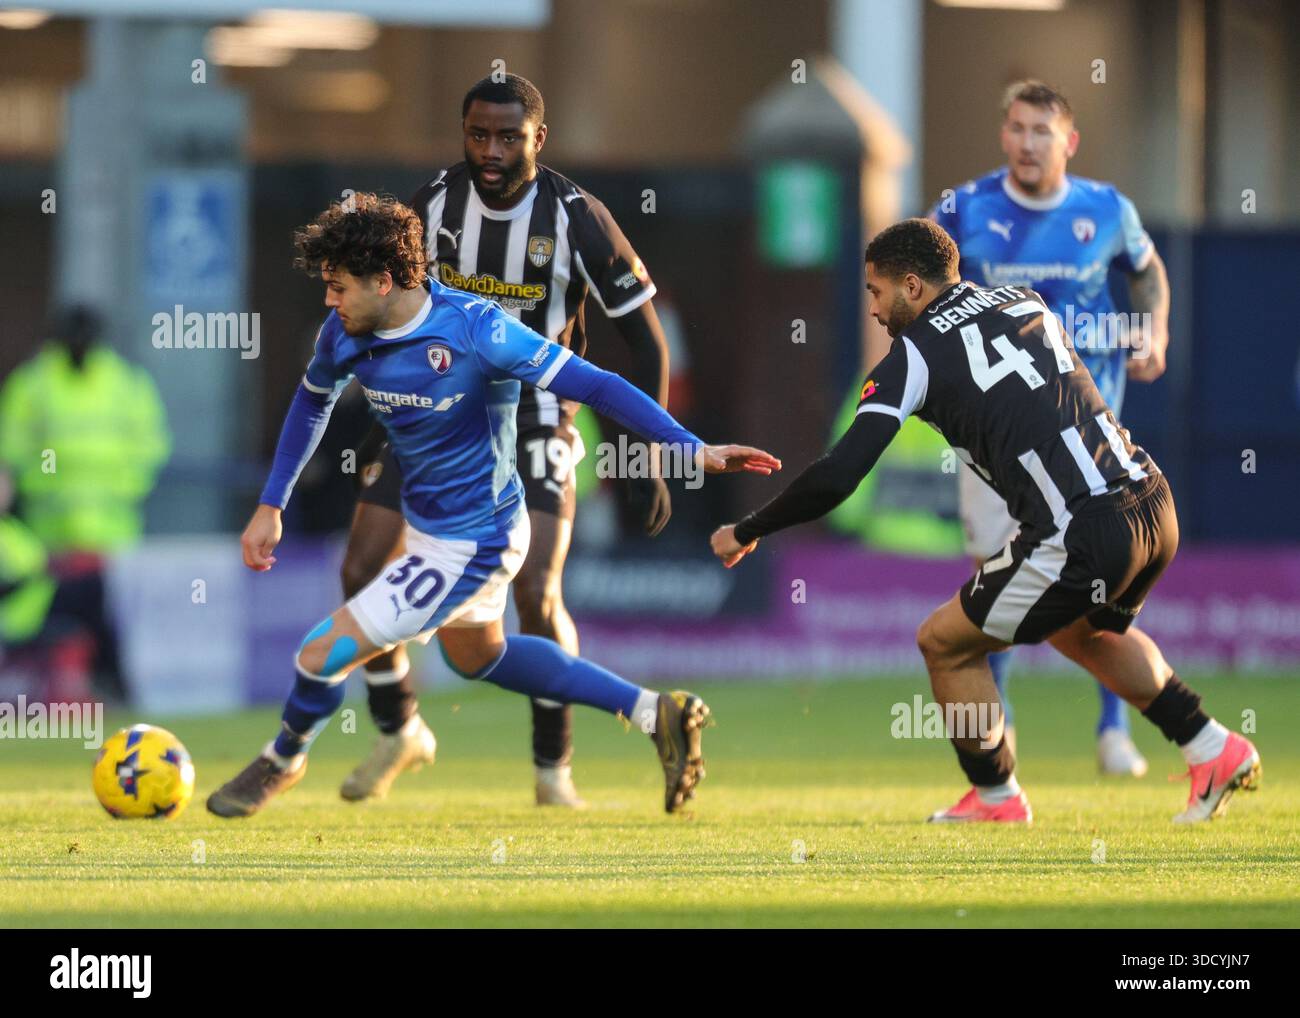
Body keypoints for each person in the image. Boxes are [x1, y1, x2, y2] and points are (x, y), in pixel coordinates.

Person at [206, 193, 780, 819]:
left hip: (477, 541)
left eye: (338, 287)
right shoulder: (343, 332)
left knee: (318, 655)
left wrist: (690, 448)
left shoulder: (479, 329)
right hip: (432, 529)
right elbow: (312, 401)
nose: (329, 301)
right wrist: (272, 503)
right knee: (478, 655)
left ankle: (282, 760)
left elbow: (597, 383)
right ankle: (656, 712)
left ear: (385, 280)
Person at [710, 218, 1259, 825]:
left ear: (912, 287)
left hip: (1081, 527)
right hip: (1152, 500)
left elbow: (840, 475)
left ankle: (996, 796)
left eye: (876, 290)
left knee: (942, 642)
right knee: (1086, 632)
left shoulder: (910, 357)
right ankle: (1212, 747)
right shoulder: (1021, 299)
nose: (871, 307)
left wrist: (748, 528)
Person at [340, 74, 674, 807]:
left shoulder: (579, 217)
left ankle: (553, 771)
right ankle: (400, 727)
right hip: (434, 410)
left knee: (535, 588)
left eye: (508, 138)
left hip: (536, 413)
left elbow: (644, 345)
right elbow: (389, 321)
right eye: (477, 136)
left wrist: (651, 452)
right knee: (363, 564)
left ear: (539, 139)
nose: (490, 152)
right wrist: (375, 425)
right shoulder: (429, 208)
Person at [930, 81, 1171, 776]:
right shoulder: (963, 208)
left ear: (1069, 141)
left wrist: (1154, 329)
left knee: (1104, 581)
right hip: (998, 442)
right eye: (1016, 128)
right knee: (993, 580)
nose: (1027, 143)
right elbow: (913, 279)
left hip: (1090, 436)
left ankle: (1113, 729)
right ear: (1002, 134)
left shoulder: (1106, 209)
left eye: (1042, 130)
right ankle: (999, 743)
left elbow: (1149, 273)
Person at [0, 305, 170, 702]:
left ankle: (115, 689)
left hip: (113, 535)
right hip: (48, 538)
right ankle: (83, 692)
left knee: (113, 618)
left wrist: (120, 487)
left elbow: (151, 447)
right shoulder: (33, 384)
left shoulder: (126, 384)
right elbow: (12, 450)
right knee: (69, 615)